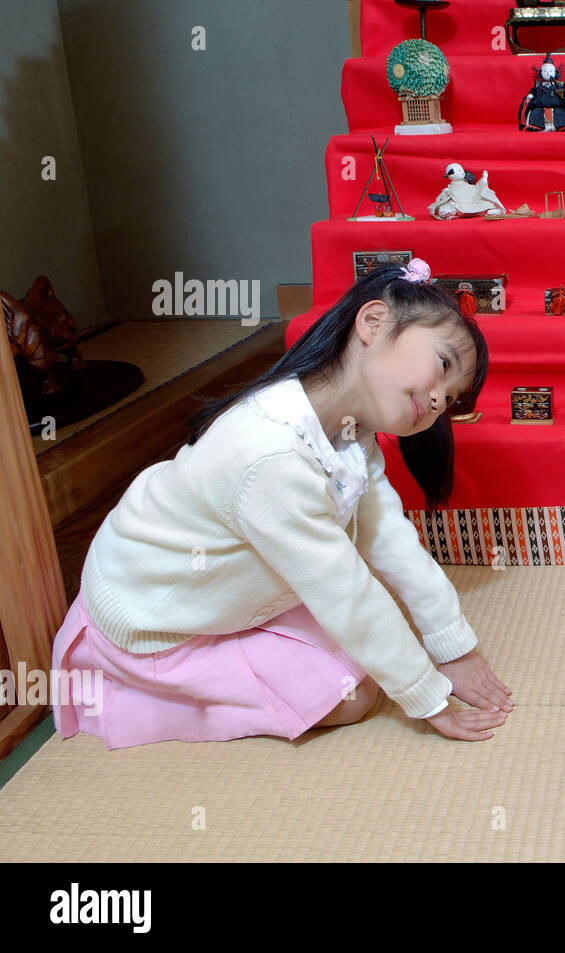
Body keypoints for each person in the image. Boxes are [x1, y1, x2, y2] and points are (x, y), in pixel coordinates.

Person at [50, 259, 514, 750]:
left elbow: (390, 540)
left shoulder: (352, 430)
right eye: (442, 365)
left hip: (219, 591)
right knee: (355, 696)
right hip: (153, 620)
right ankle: (119, 690)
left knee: (369, 656)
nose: (440, 400)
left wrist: (453, 649)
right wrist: (429, 699)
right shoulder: (270, 453)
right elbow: (346, 591)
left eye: (452, 397)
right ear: (373, 324)